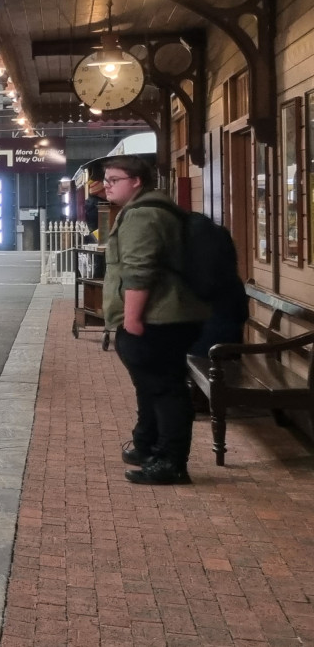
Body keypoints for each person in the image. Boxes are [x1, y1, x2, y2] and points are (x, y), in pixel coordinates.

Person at [100, 155, 209, 485]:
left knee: (165, 390)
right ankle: (150, 446)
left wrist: (131, 319)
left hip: (156, 318)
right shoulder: (152, 208)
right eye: (105, 179)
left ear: (136, 181)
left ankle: (171, 462)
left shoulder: (142, 215)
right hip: (165, 315)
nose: (106, 185)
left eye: (113, 179)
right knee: (153, 387)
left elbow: (139, 269)